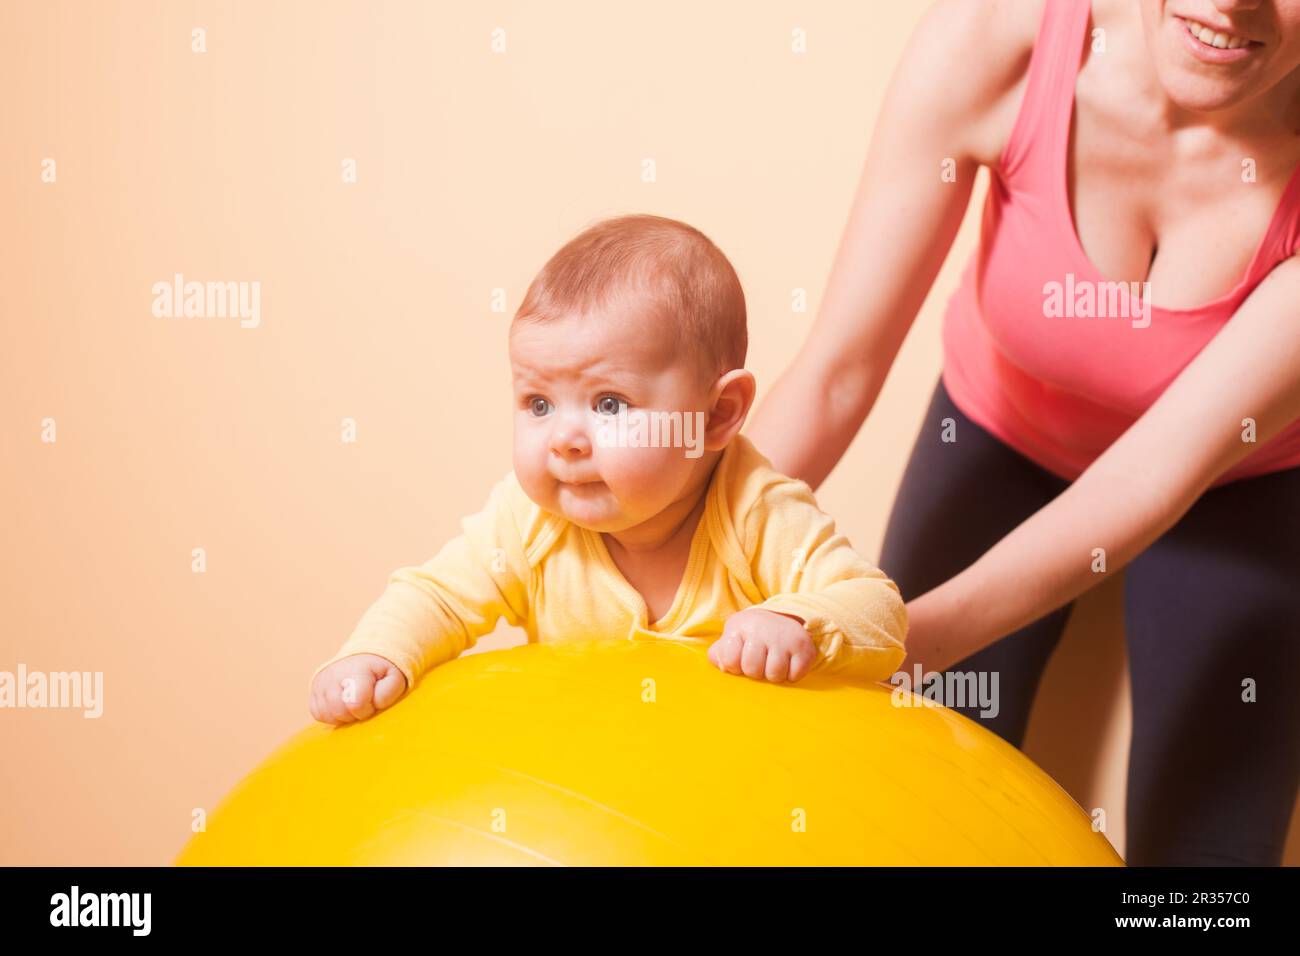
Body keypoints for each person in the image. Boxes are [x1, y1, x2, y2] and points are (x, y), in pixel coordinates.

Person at [745, 0, 1300, 865]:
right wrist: (667, 550)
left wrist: (882, 641)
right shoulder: (995, 40)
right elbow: (836, 373)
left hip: (1239, 487)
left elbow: (1146, 479)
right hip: (999, 432)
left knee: (1208, 876)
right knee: (911, 805)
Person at [308, 214, 909, 727]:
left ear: (717, 413)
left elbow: (876, 608)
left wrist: (793, 619)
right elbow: (438, 598)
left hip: (739, 793)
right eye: (538, 404)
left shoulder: (756, 513)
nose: (565, 440)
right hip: (595, 800)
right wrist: (377, 653)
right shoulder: (530, 522)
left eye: (609, 404)